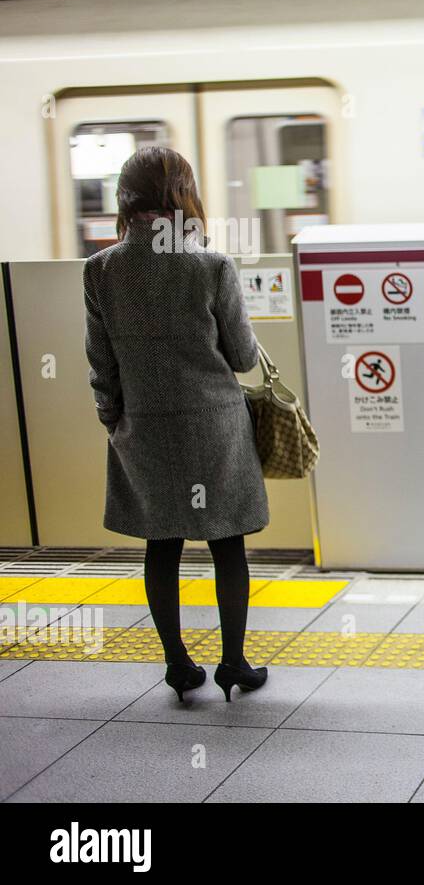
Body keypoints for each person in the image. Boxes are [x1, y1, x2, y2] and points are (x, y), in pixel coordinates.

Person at [83, 146, 270, 704]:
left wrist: (112, 419)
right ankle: (234, 662)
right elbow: (241, 357)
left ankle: (177, 664)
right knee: (226, 544)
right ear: (183, 196)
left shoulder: (102, 269)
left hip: (144, 427)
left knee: (160, 544)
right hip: (214, 431)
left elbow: (101, 360)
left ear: (126, 198)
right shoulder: (210, 265)